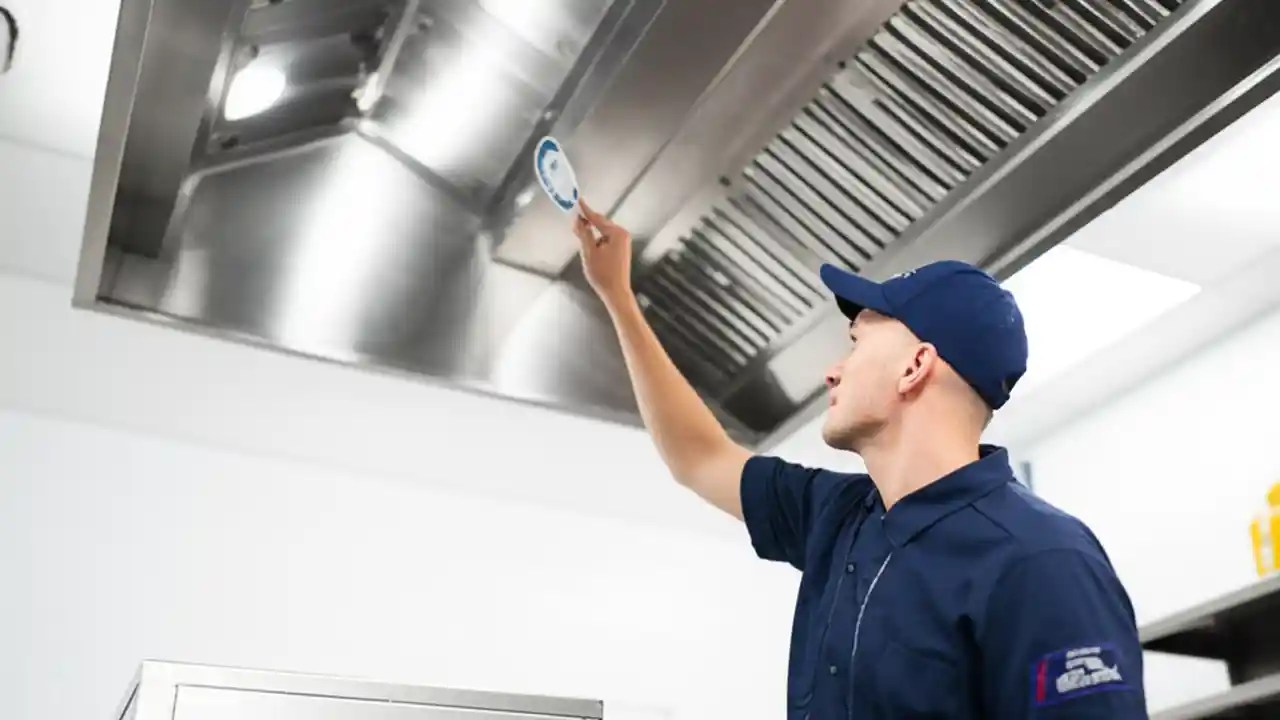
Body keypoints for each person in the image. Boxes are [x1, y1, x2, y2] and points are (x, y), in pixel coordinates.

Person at [572, 200, 1147, 719]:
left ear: (914, 366)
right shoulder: (838, 516)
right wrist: (617, 296)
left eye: (857, 342)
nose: (833, 370)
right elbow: (699, 458)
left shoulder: (1042, 560)